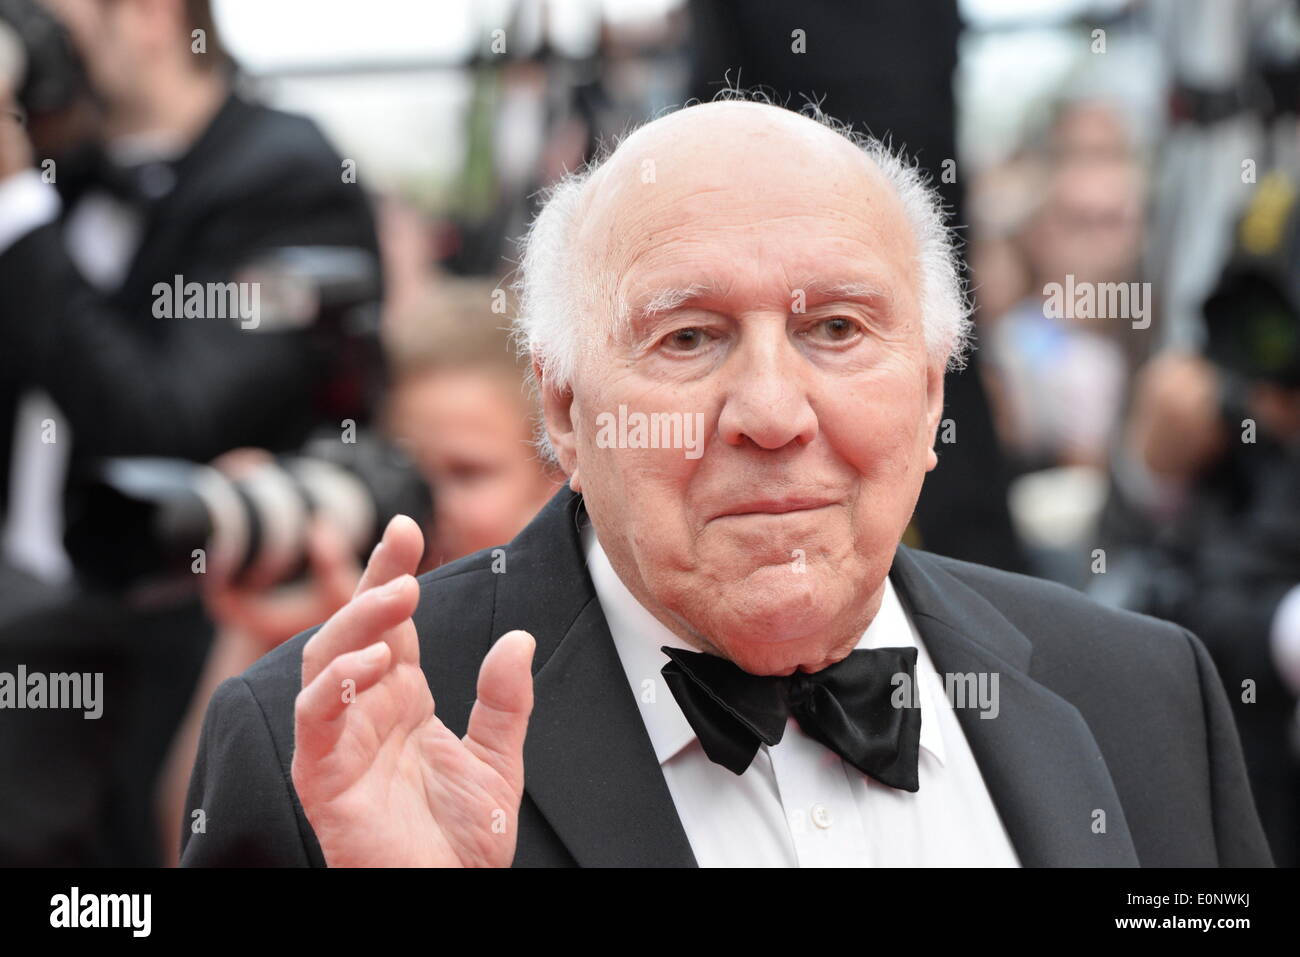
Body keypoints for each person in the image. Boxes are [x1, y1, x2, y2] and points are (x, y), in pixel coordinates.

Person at [181, 97, 1271, 867]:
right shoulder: (320, 746)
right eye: (689, 338)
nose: (772, 414)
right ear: (564, 408)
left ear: (934, 389)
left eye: (836, 329)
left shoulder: (1144, 694)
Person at [0, 0, 379, 865]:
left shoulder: (287, 176)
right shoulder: (71, 169)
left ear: (149, 14)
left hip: (183, 640)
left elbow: (166, 419)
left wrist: (15, 204)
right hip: (25, 609)